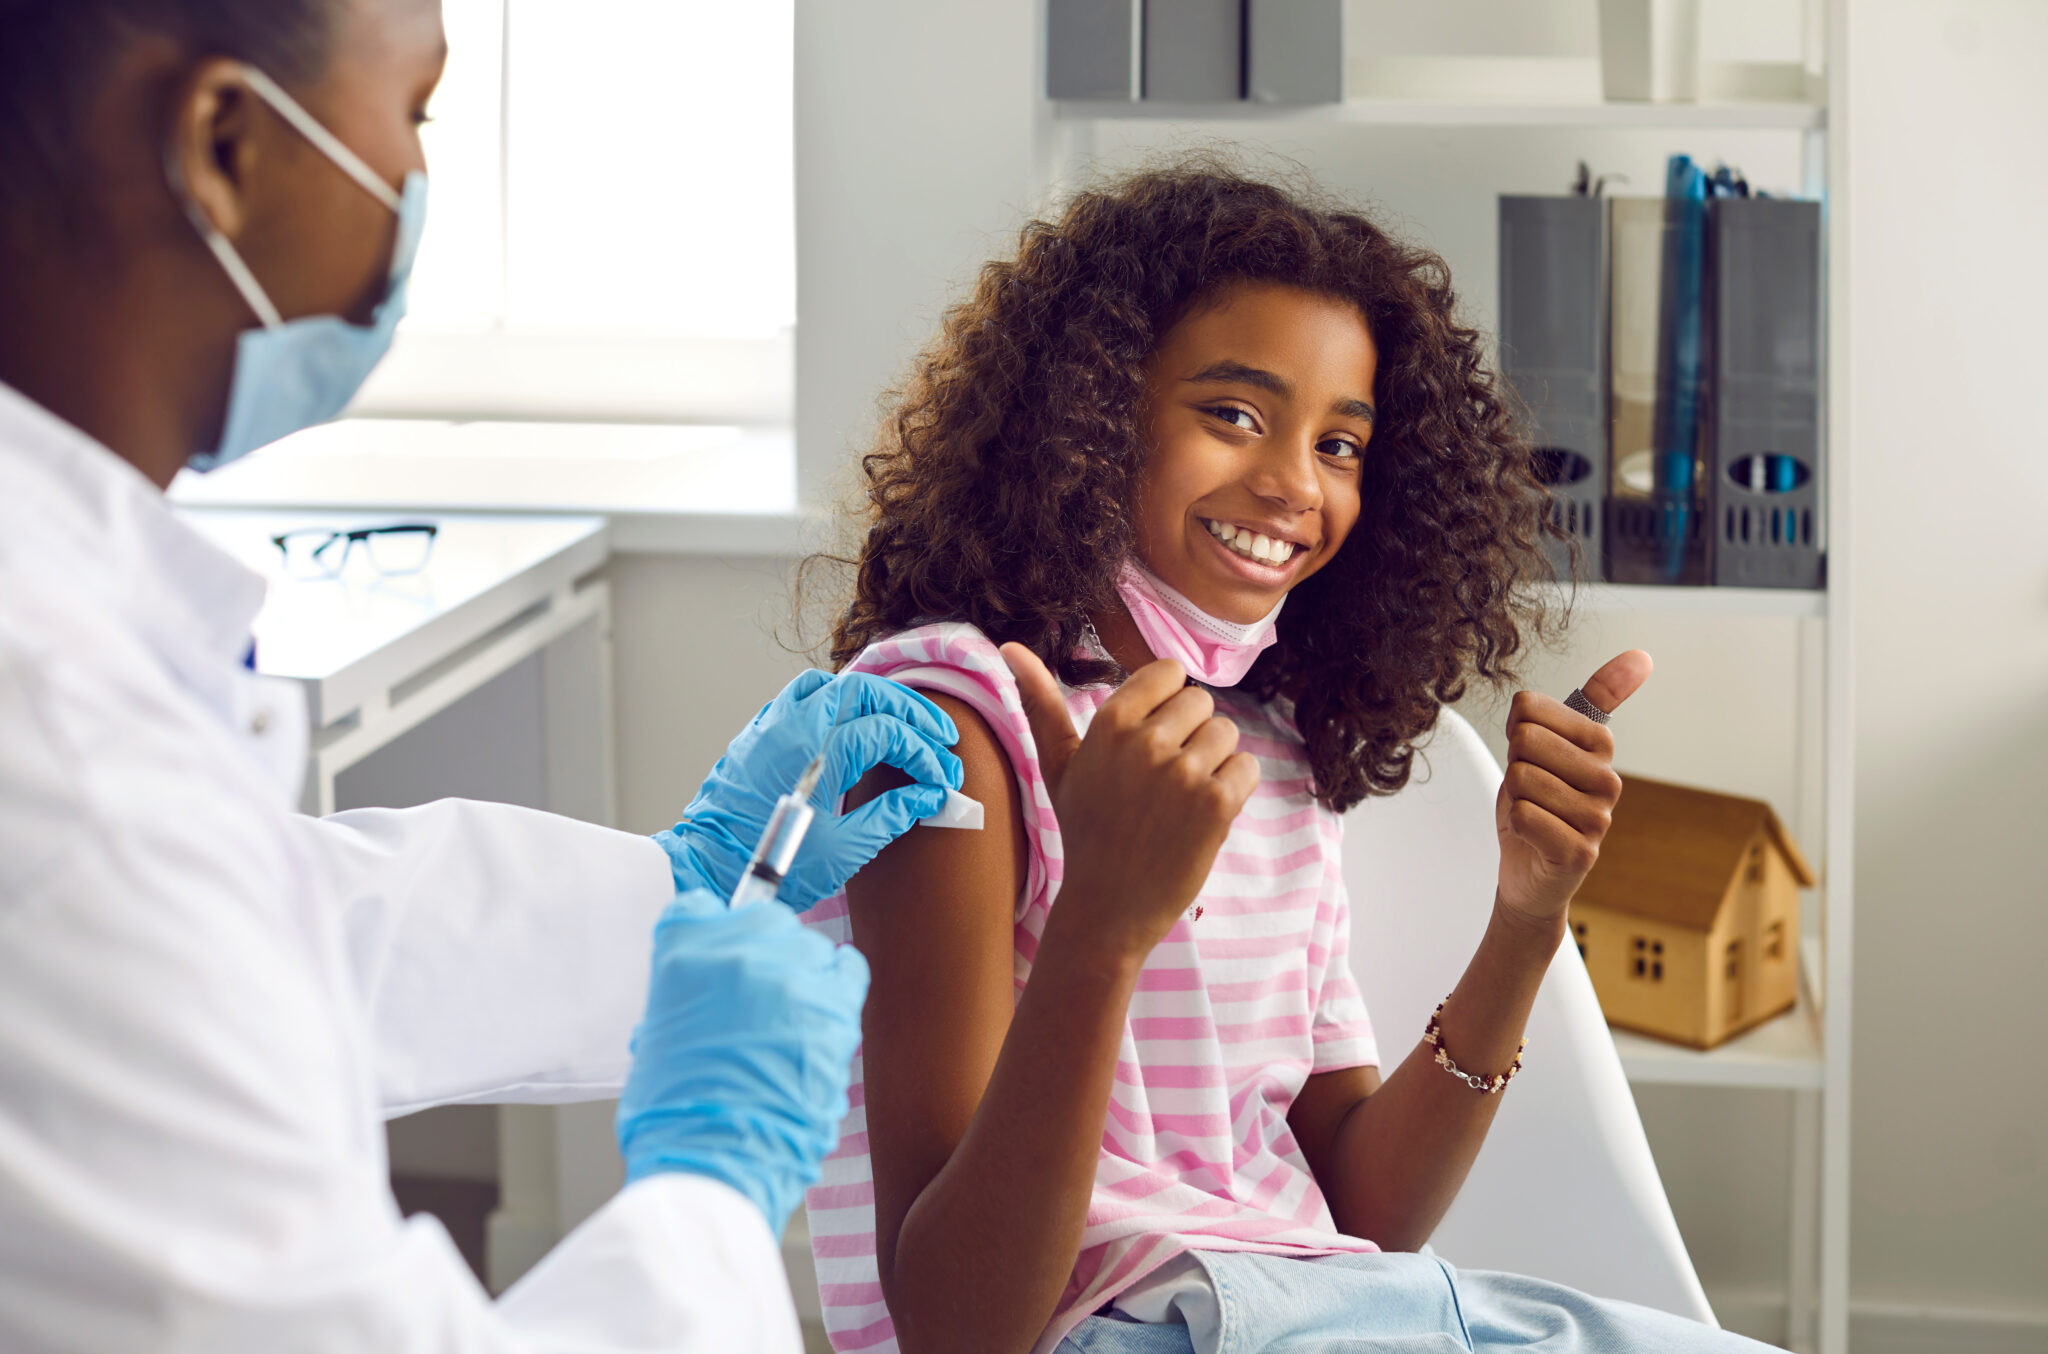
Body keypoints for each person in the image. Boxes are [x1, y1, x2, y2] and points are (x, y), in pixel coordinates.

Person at [0, 1, 966, 1349]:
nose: (414, 181)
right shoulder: (63, 755)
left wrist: (676, 887)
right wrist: (709, 1194)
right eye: (415, 110)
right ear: (223, 142)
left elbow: (253, 931)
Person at [795, 166, 1786, 1354]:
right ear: (1089, 414)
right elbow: (956, 1328)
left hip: (1329, 1307)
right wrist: (1101, 921)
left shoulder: (1269, 743)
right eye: (1231, 414)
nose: (1291, 485)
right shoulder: (945, 723)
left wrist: (1525, 922)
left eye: (1340, 444)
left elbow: (1361, 1216)